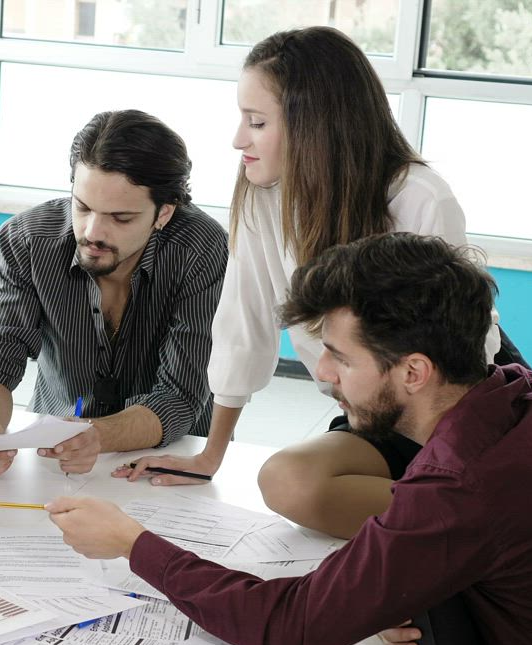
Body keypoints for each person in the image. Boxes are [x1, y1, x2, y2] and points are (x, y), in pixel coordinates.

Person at [50, 233, 532, 645]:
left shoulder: (461, 485)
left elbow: (284, 628)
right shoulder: (524, 393)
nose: (321, 373)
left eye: (341, 358)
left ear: (414, 372)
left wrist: (132, 542)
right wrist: (401, 590)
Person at [123, 26, 506, 539]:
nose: (239, 139)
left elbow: (465, 353)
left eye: (257, 122)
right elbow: (243, 322)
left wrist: (447, 461)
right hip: (375, 415)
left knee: (415, 492)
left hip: (454, 413)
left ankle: (481, 508)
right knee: (285, 480)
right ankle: (482, 515)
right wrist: (212, 453)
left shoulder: (417, 197)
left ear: (314, 125)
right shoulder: (262, 196)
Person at [0, 110, 228, 478]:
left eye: (121, 218)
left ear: (163, 213)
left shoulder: (201, 249)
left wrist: (96, 434)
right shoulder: (26, 240)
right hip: (57, 450)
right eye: (82, 207)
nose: (93, 232)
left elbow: (179, 397)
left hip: (171, 454)